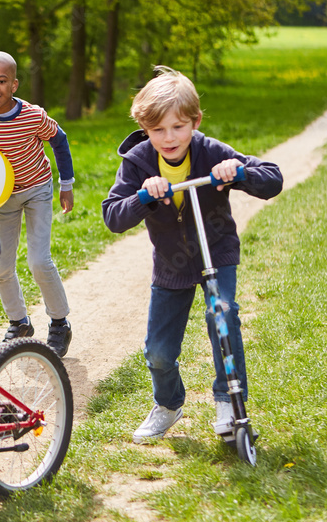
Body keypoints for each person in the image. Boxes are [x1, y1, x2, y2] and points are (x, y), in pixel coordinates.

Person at [101, 66, 282, 444]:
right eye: (157, 130)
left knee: (223, 315)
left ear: (195, 121)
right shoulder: (137, 162)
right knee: (159, 353)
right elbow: (113, 216)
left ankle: (228, 401)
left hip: (217, 253)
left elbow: (273, 178)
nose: (169, 138)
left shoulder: (209, 151)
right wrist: (143, 197)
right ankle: (168, 405)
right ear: (144, 127)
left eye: (178, 127)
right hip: (171, 264)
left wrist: (240, 173)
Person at [0, 51, 76, 357]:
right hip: (1, 197)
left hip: (37, 187)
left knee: (39, 261)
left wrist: (66, 184)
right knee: (1, 265)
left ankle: (60, 322)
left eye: (1, 80)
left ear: (14, 85)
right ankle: (19, 322)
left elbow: (58, 140)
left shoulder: (33, 115)